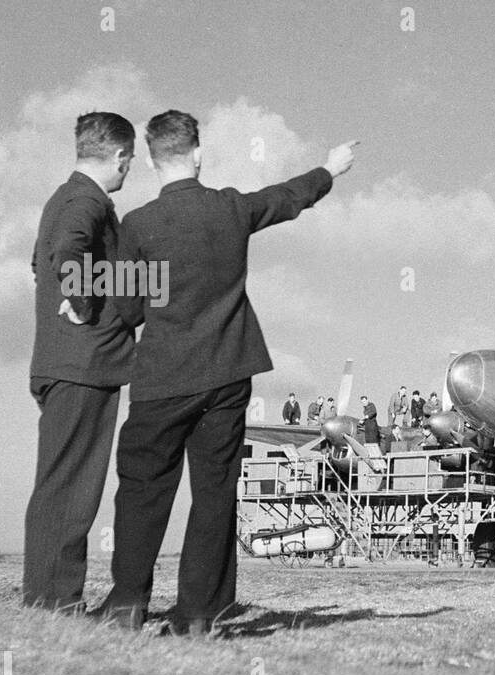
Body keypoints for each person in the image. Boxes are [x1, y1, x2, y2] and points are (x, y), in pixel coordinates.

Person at [94, 110, 356, 634]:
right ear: (197, 154)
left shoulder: (138, 225)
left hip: (164, 376)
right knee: (214, 492)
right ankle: (198, 617)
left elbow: (126, 309)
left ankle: (126, 606)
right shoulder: (231, 208)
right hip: (229, 373)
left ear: (149, 159)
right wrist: (330, 168)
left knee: (144, 489)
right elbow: (288, 197)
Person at [23, 112, 137, 614]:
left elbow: (39, 263)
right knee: (74, 490)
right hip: (83, 366)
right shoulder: (87, 200)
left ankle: (45, 598)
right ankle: (57, 603)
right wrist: (84, 301)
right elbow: (69, 250)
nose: (127, 171)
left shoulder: (60, 198)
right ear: (117, 155)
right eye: (128, 161)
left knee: (57, 484)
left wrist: (67, 296)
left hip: (60, 361)